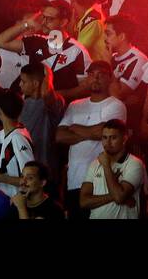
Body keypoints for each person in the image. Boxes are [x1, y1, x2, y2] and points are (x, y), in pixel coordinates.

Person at [54, 62, 126, 216]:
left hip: (102, 181)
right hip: (74, 179)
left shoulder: (116, 105)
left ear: (110, 78)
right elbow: (59, 136)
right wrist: (92, 132)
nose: (96, 78)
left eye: (101, 74)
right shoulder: (74, 105)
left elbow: (103, 132)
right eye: (92, 74)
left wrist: (74, 127)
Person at [81, 118, 145, 219]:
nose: (107, 143)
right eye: (104, 138)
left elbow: (119, 198)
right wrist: (113, 197)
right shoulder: (95, 163)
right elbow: (83, 201)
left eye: (113, 138)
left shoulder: (135, 164)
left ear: (124, 139)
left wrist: (106, 165)